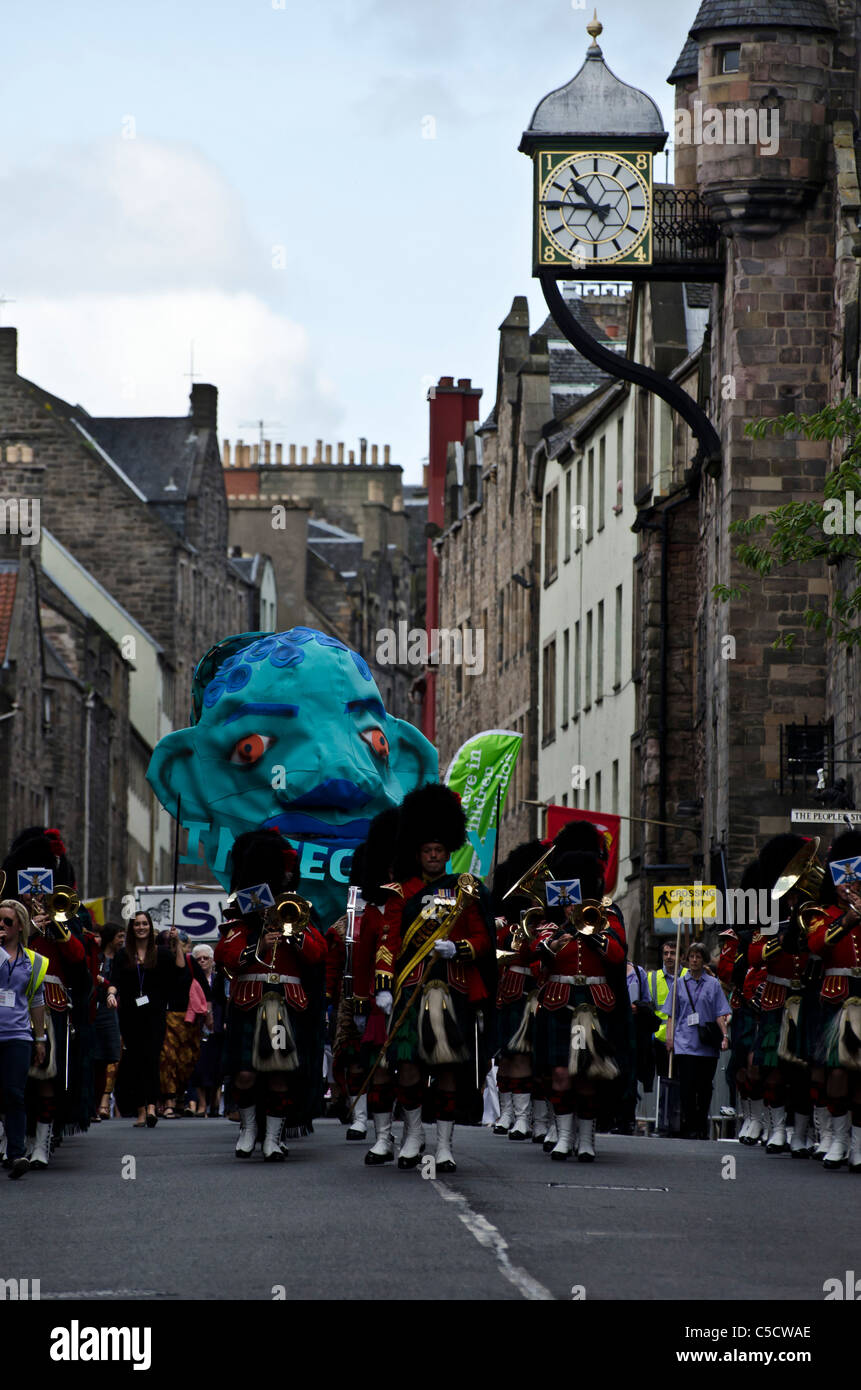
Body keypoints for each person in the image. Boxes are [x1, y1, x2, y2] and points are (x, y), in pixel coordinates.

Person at [373, 783, 496, 1172]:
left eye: (439, 851)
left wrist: (457, 949)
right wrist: (383, 987)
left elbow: (482, 940)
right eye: (427, 851)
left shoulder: (465, 890)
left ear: (448, 852)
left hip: (451, 989)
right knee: (407, 1067)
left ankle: (444, 1144)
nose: (433, 857)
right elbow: (388, 942)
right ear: (418, 852)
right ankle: (413, 1135)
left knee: (447, 1069)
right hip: (410, 988)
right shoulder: (398, 893)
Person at [214, 829, 327, 1162]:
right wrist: (258, 942)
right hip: (251, 994)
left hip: (287, 998)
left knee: (280, 1074)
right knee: (245, 1073)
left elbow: (318, 955)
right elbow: (226, 954)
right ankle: (249, 1129)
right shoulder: (243, 911)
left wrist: (294, 934)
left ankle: (274, 1139)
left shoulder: (299, 908)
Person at [518, 851, 631, 1162]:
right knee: (559, 1073)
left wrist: (594, 935)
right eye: (568, 903)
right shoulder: (552, 928)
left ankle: (587, 1138)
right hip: (559, 1004)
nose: (572, 907)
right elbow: (527, 954)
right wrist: (552, 942)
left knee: (586, 1074)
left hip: (592, 1005)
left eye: (577, 902)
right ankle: (564, 1136)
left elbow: (619, 956)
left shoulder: (605, 919)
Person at [803, 830, 861, 1171]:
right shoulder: (822, 913)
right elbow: (816, 946)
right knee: (837, 1075)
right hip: (836, 998)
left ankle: (856, 1143)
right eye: (844, 881)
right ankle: (837, 1140)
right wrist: (848, 919)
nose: (849, 887)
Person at [106, 911, 186, 1126]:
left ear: (150, 927)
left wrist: (176, 943)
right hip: (130, 1015)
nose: (141, 927)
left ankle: (152, 1107)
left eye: (144, 924)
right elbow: (115, 979)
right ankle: (141, 1109)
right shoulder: (124, 954)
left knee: (152, 1059)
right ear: (132, 928)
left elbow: (180, 970)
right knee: (135, 1061)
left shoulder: (160, 953)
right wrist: (111, 994)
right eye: (137, 924)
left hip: (155, 1014)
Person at [490, 839, 546, 1142]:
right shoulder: (505, 924)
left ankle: (527, 1118)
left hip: (530, 991)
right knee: (508, 1056)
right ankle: (509, 1113)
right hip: (507, 991)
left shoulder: (541, 924)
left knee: (525, 1055)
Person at [0, 899, 48, 1178]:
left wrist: (39, 1038)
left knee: (15, 1093)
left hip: (18, 1034)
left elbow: (37, 1001)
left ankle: (17, 1154)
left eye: (7, 921)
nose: (2, 926)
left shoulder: (33, 961)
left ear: (19, 925)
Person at [665, 942, 731, 1139]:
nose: (694, 960)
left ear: (704, 960)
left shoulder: (713, 984)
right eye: (691, 957)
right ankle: (688, 1124)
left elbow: (721, 1013)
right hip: (684, 1043)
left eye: (698, 957)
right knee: (686, 1087)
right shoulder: (679, 983)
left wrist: (724, 1036)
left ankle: (701, 1124)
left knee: (703, 1088)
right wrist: (670, 1038)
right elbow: (672, 1015)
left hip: (707, 1046)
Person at [159, 931, 211, 1117]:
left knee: (187, 1060)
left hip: (189, 1020)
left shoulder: (189, 962)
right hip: (166, 1016)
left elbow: (205, 988)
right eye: (170, 943)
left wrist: (209, 1015)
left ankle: (180, 1097)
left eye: (177, 943)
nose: (173, 947)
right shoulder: (159, 962)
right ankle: (169, 1101)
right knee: (168, 1059)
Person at [189, 943, 226, 1116]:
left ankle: (216, 1103)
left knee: (218, 1066)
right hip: (198, 1026)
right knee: (200, 1067)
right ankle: (202, 1104)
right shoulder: (192, 979)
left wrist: (225, 1021)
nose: (203, 961)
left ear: (212, 960)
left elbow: (225, 1002)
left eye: (206, 958)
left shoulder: (220, 979)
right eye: (199, 959)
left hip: (218, 1026)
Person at [92, 923, 123, 1120]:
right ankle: (92, 1105)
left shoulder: (122, 958)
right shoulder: (97, 956)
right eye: (119, 936)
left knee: (107, 1059)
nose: (122, 940)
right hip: (94, 1009)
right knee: (93, 1057)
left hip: (111, 1011)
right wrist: (106, 984)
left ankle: (100, 1102)